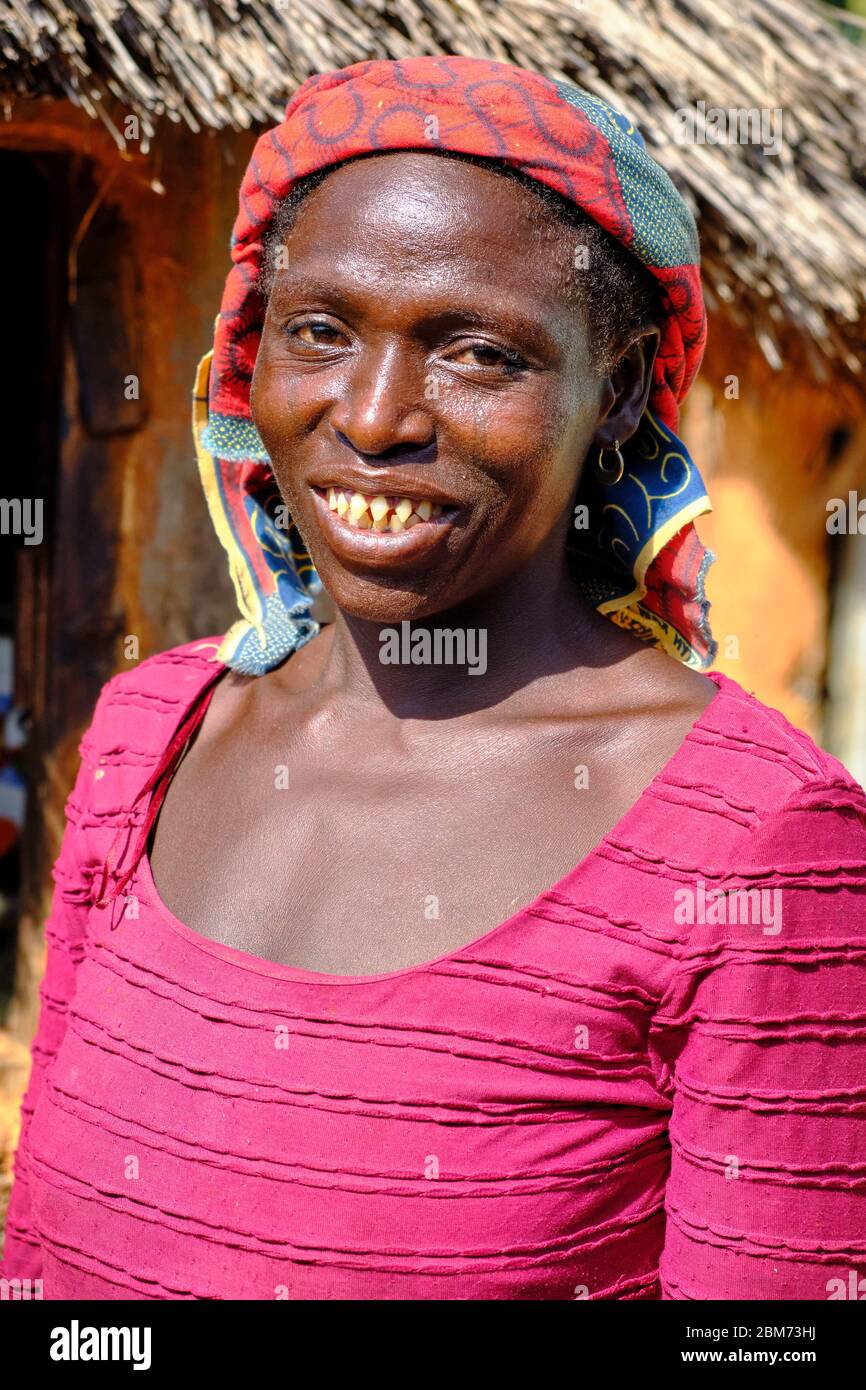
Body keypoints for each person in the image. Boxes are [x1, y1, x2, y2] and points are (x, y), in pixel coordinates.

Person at [3, 55, 864, 1301]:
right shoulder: (152, 731)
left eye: (474, 353)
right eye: (318, 331)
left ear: (616, 393)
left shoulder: (757, 842)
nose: (375, 415)